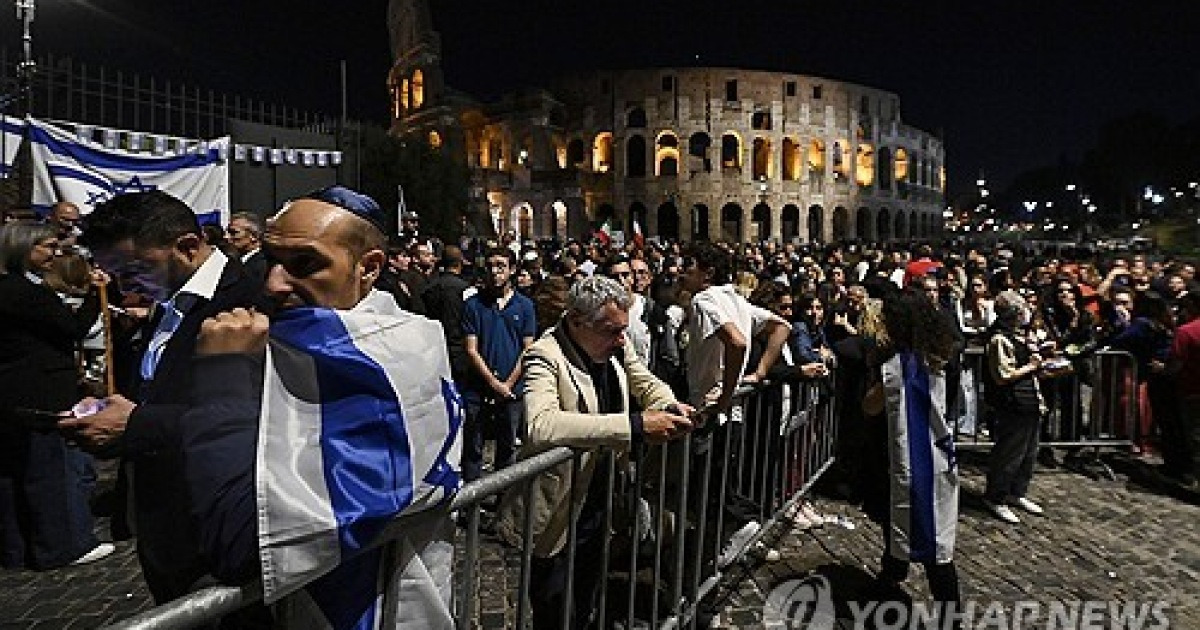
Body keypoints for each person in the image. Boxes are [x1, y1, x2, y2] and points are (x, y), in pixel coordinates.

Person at [177, 185, 458, 628]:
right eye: (271, 260)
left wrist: (224, 373)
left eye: (305, 264)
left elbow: (240, 542)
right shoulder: (406, 335)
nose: (273, 283)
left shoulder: (374, 366)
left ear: (369, 268)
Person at [57, 190, 263, 604]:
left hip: (216, 530)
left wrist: (136, 425)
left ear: (187, 247)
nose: (124, 287)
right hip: (162, 523)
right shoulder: (169, 297)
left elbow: (259, 417)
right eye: (115, 274)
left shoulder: (251, 302)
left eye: (134, 270)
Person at [495, 275, 694, 629]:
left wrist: (668, 404)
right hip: (558, 506)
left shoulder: (616, 344)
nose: (621, 339)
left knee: (589, 594)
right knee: (553, 606)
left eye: (623, 330)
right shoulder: (545, 354)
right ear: (576, 321)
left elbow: (642, 379)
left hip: (601, 498)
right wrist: (634, 426)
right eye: (611, 331)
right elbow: (541, 424)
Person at [0, 222, 113, 569]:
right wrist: (95, 296)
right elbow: (71, 329)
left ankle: (16, 549)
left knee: (15, 474)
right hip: (42, 391)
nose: (54, 254)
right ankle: (64, 546)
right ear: (24, 248)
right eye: (47, 247)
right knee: (50, 471)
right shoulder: (23, 291)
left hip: (15, 391)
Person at [872, 287, 962, 622]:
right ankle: (891, 577)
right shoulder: (942, 357)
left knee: (931, 542)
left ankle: (947, 615)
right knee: (926, 536)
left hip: (912, 459)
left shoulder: (898, 365)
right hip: (939, 452)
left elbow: (871, 405)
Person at [461, 247, 537, 482]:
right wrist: (493, 382)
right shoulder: (473, 305)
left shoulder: (525, 306)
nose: (495, 272)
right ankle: (472, 498)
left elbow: (528, 349)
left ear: (512, 270)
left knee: (507, 447)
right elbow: (471, 349)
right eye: (491, 266)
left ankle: (505, 498)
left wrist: (508, 384)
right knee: (473, 447)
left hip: (512, 390)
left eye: (501, 266)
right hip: (479, 388)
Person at [982, 290, 1047, 524]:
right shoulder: (999, 339)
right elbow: (1003, 375)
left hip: (1029, 401)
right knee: (1010, 453)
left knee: (1029, 453)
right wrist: (1031, 366)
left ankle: (1016, 492)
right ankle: (996, 496)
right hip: (1012, 404)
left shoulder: (1018, 336)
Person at [226, 211, 267, 280]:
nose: (226, 237)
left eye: (233, 232)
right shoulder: (232, 263)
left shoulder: (262, 267)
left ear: (253, 236)